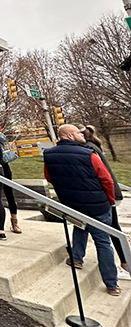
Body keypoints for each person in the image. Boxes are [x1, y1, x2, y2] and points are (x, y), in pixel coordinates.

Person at [43, 125, 121, 296]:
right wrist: (110, 200)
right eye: (78, 132)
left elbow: (49, 177)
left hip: (71, 203)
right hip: (97, 204)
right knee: (103, 241)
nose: (82, 134)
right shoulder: (89, 154)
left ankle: (77, 258)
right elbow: (106, 179)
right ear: (70, 135)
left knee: (80, 226)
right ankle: (111, 283)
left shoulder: (48, 155)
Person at [80, 124, 129, 282]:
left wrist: (109, 198)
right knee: (109, 227)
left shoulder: (89, 150)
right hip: (108, 194)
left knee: (112, 229)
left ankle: (124, 262)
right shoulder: (93, 145)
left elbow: (103, 176)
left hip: (107, 195)